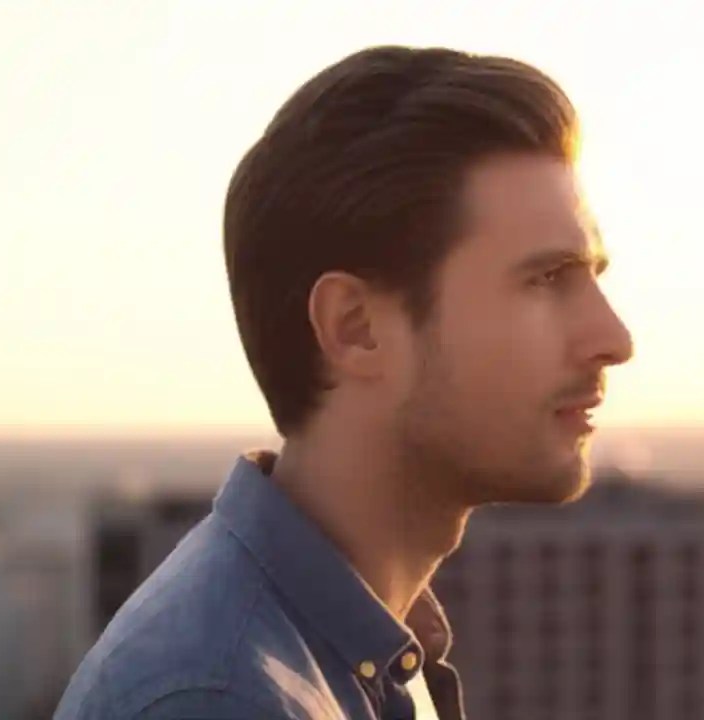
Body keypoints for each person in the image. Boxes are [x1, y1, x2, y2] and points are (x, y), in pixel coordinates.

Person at [54, 45, 633, 720]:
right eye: (546, 279)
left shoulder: (362, 653)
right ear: (356, 328)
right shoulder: (221, 699)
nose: (614, 339)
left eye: (592, 278)